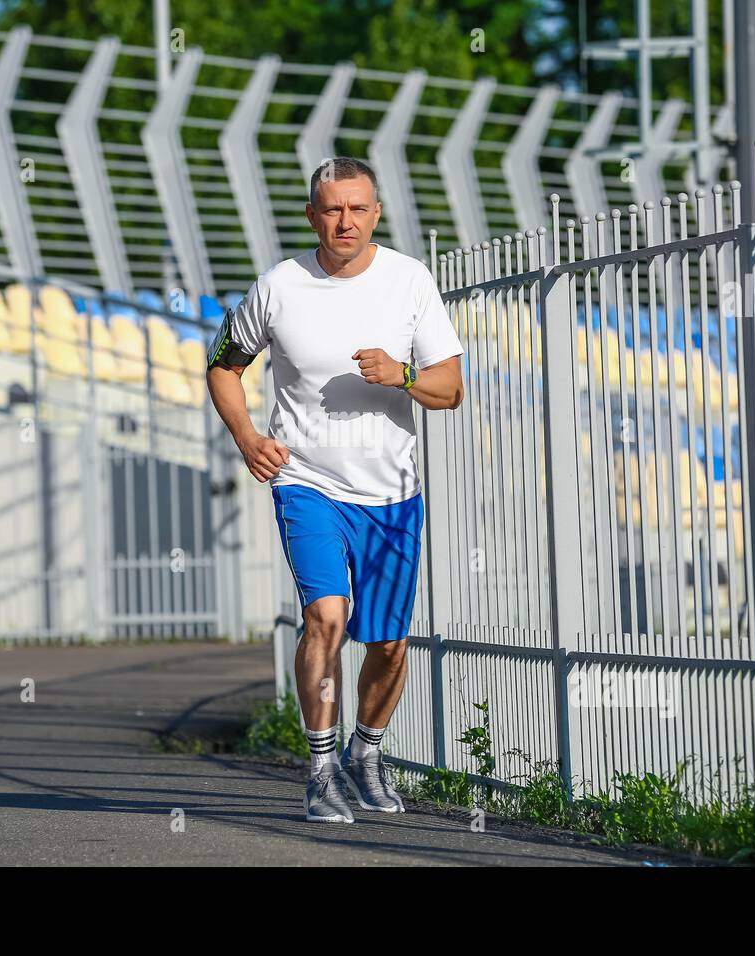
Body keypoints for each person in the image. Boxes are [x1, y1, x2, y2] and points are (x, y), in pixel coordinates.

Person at [205, 156, 465, 823]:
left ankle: (365, 753)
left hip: (391, 493)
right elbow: (222, 365)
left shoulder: (410, 280)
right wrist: (245, 437)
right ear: (312, 215)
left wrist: (401, 374)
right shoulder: (281, 286)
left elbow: (451, 389)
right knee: (326, 616)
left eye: (357, 208)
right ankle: (320, 770)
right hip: (307, 482)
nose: (344, 221)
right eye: (331, 209)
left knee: (387, 644)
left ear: (376, 212)